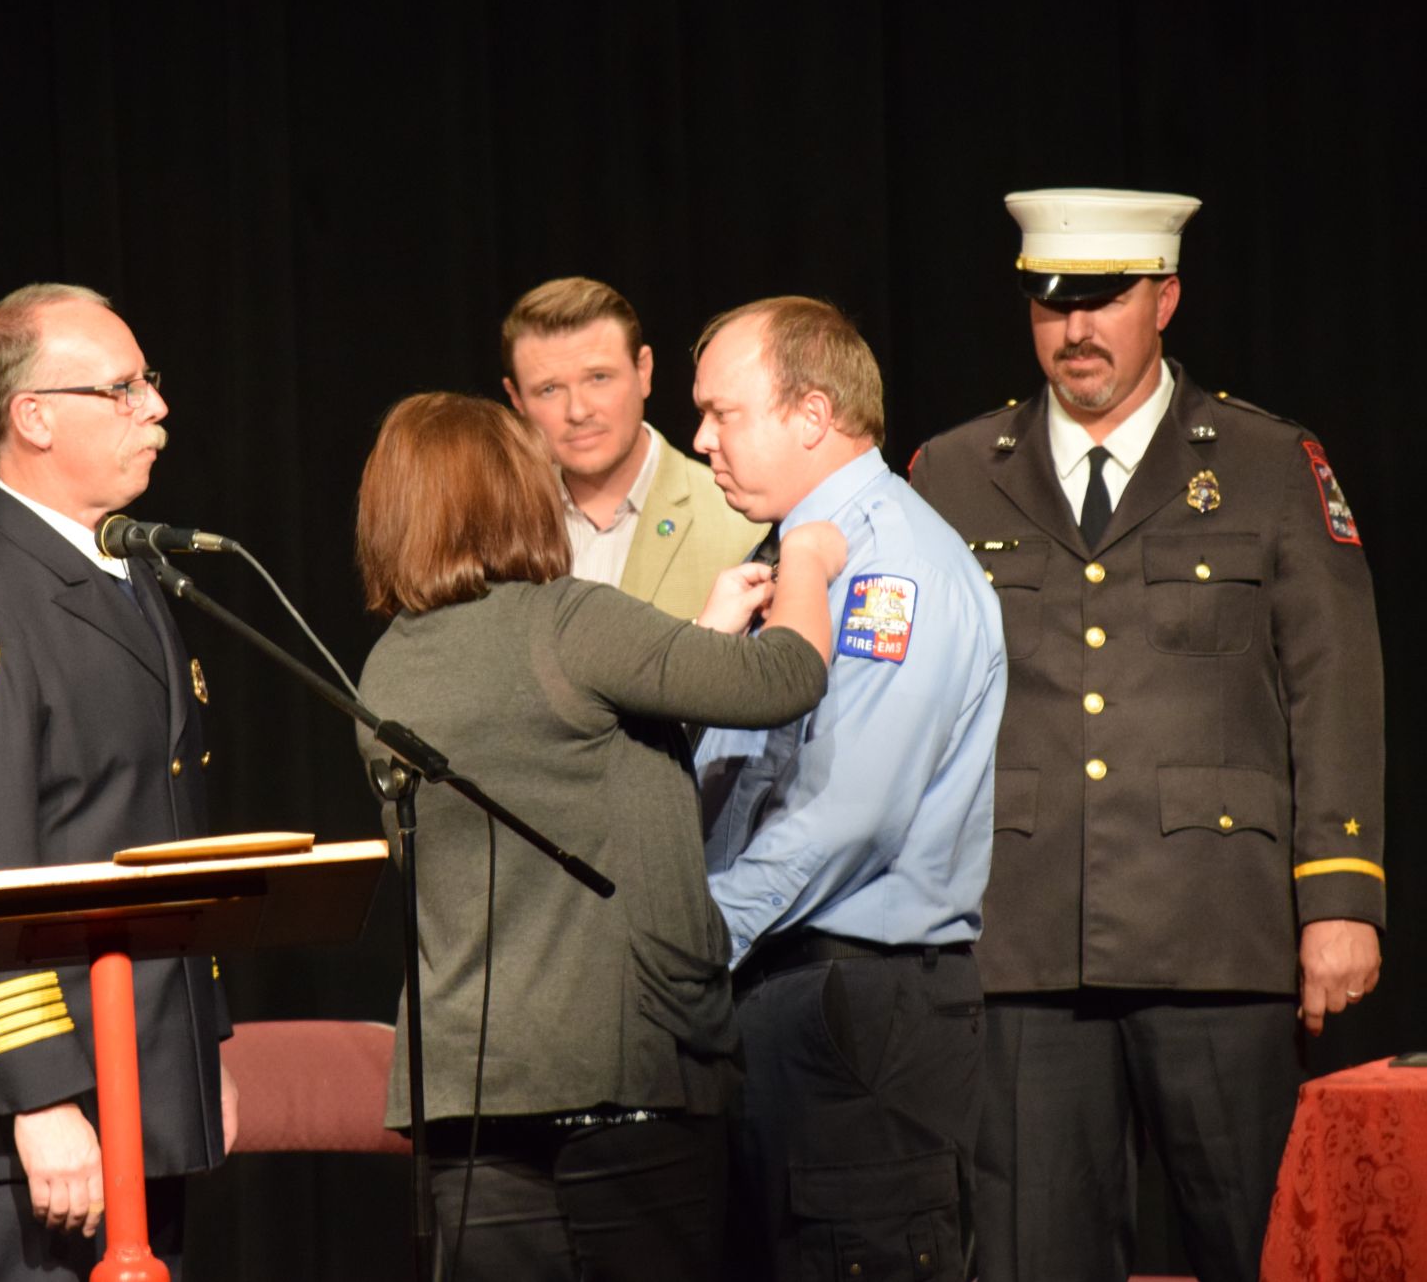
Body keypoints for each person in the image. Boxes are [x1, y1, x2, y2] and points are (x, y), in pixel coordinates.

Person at [906, 188, 1386, 1282]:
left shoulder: (1266, 462)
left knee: (1258, 1247)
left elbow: (1334, 684)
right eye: (1051, 304)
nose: (1074, 330)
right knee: (1029, 1258)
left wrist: (1340, 896)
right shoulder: (953, 473)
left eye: (1104, 301)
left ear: (1164, 299)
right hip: (1020, 938)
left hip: (1215, 930)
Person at [352, 392, 848, 1281]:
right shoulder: (569, 619)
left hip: (471, 1099)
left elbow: (566, 760)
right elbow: (784, 676)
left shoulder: (385, 667)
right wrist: (807, 556)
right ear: (515, 496)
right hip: (622, 1081)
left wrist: (694, 642)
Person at [0, 283, 232, 1281]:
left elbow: (154, 829)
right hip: (40, 1125)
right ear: (33, 417)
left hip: (143, 1090)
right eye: (121, 388)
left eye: (148, 382)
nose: (155, 407)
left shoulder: (120, 569)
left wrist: (205, 1046)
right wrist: (40, 1099)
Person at [689, 296, 1007, 1282]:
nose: (700, 441)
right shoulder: (786, 555)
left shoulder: (886, 569)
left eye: (721, 413)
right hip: (777, 991)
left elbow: (844, 813)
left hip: (851, 1009)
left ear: (812, 415)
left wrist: (686, 948)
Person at [502, 276, 767, 617]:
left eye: (598, 377)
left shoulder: (742, 524)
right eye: (549, 389)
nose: (578, 411)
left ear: (644, 371)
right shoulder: (497, 529)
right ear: (516, 399)